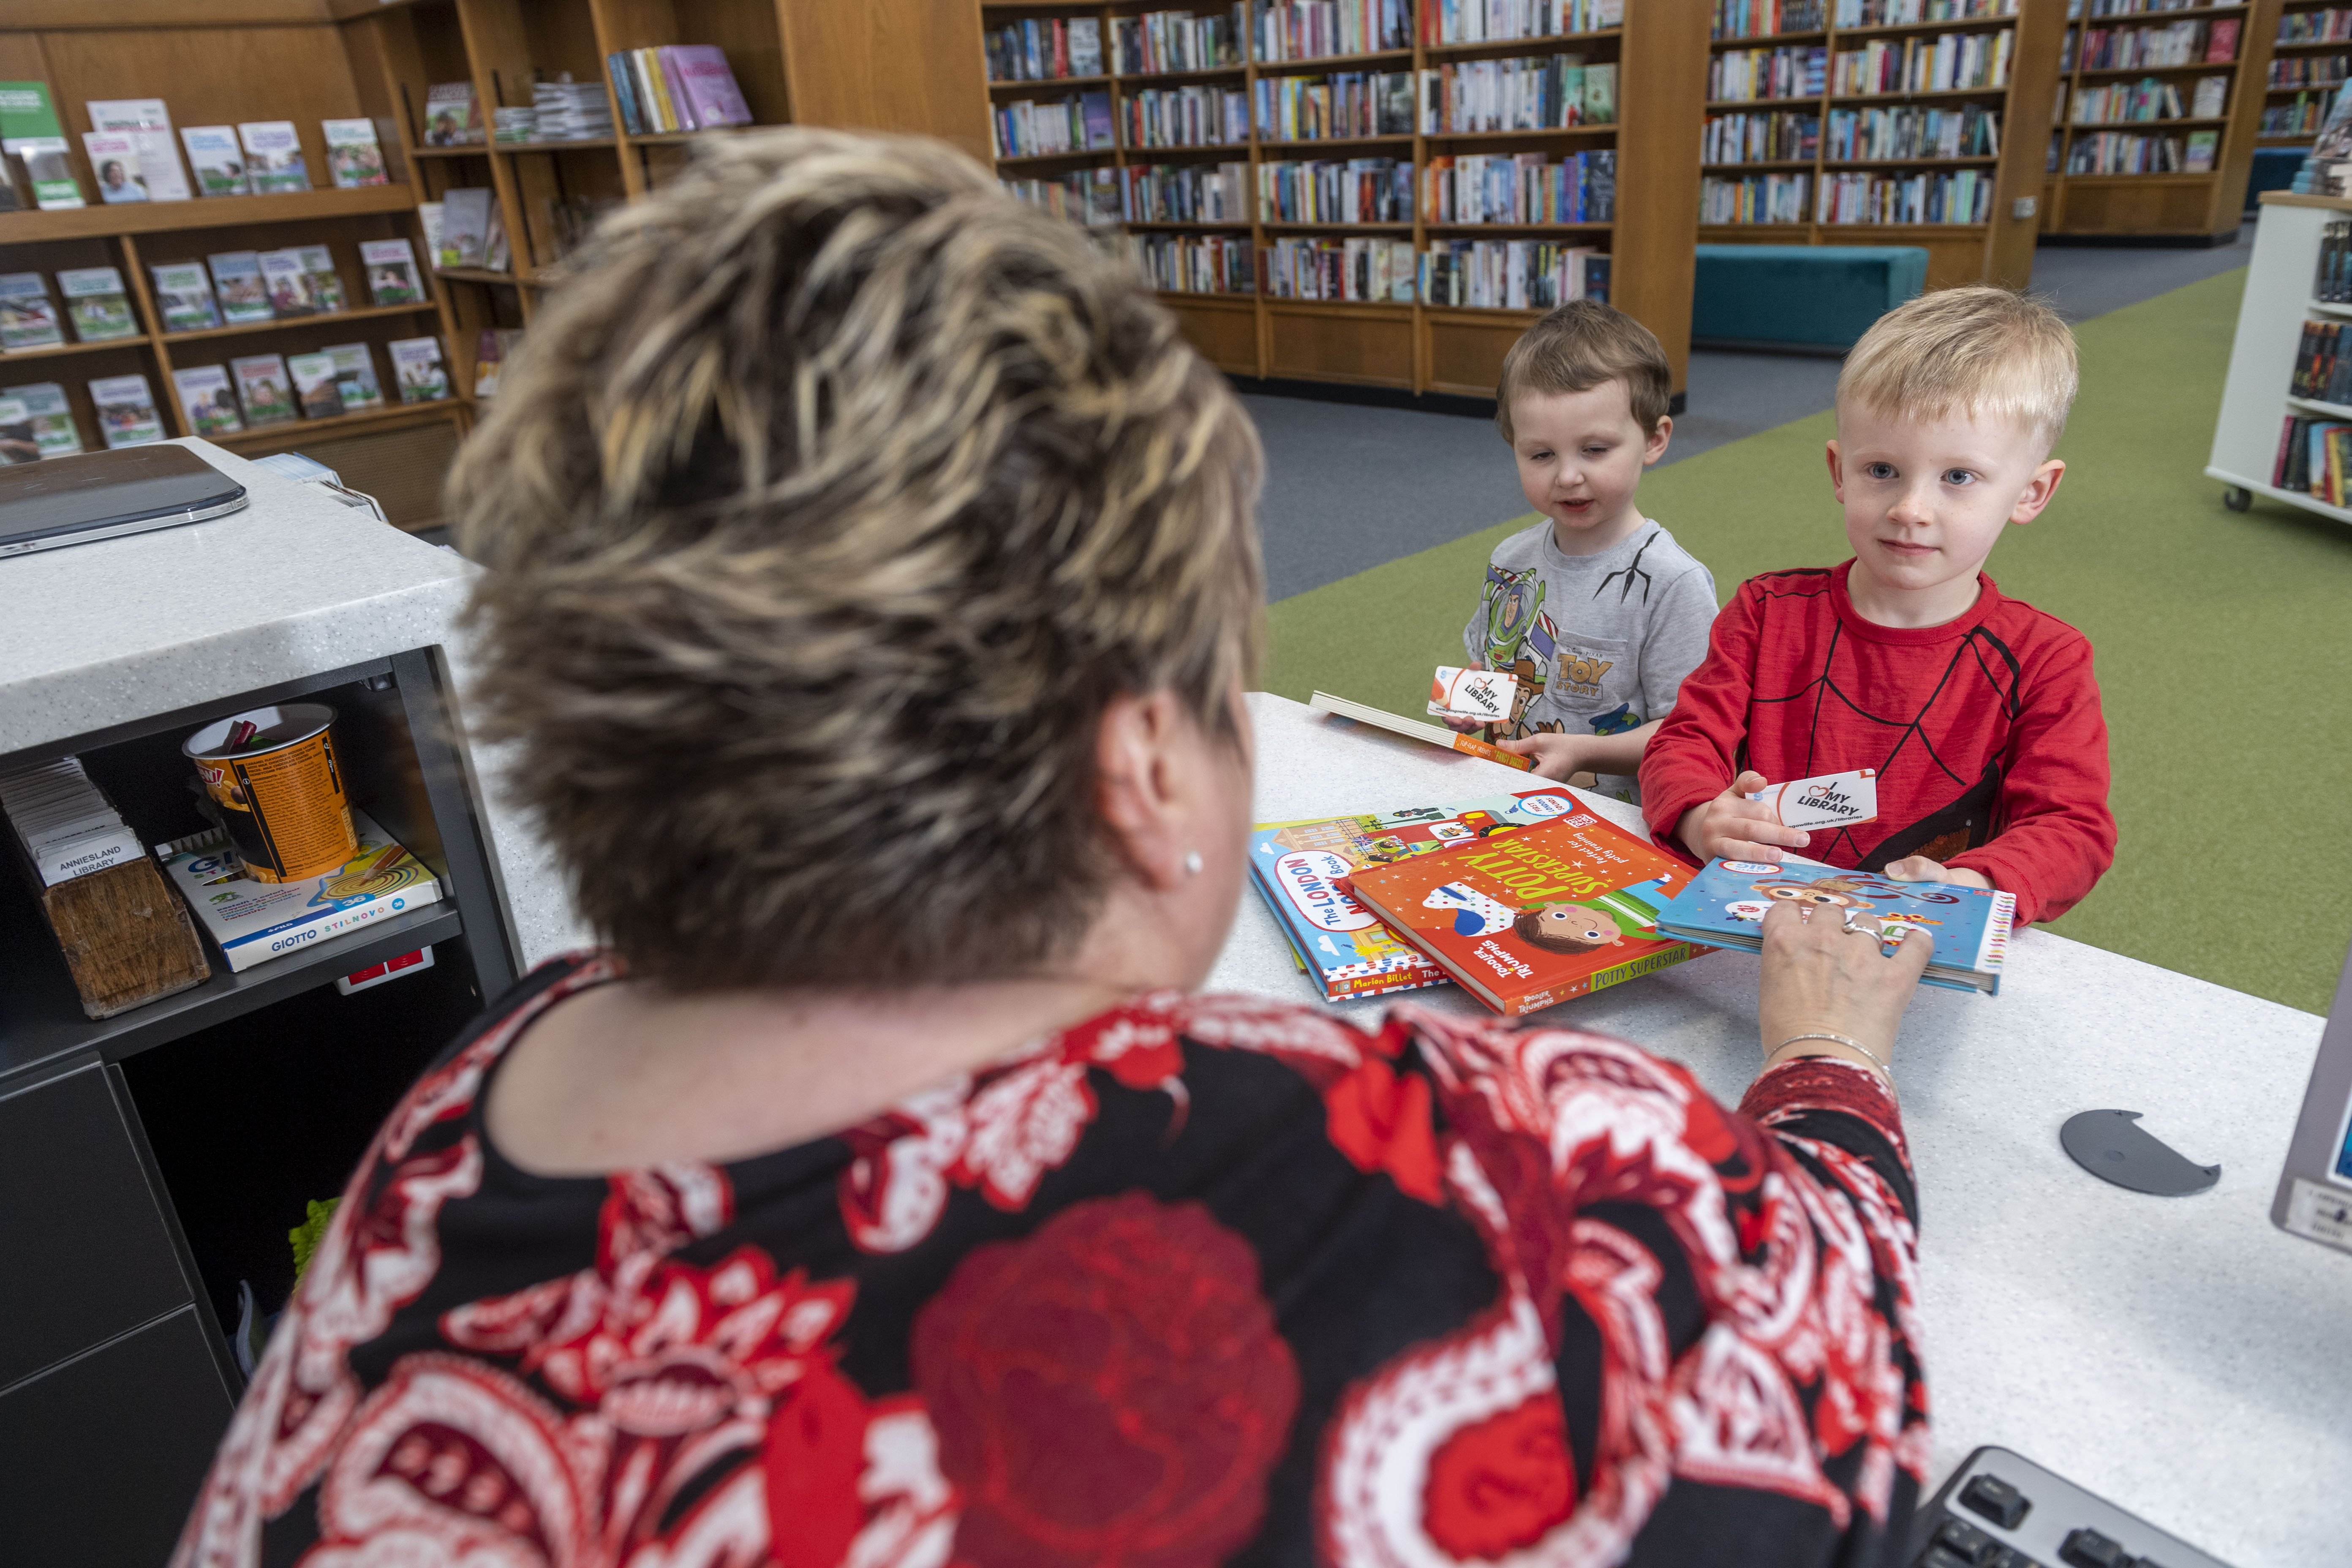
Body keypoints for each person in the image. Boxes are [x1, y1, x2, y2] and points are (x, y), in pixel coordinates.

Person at [173, 128, 1938, 1568]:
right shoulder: (1506, 1174)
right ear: (1141, 773)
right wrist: (1833, 1063)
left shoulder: (453, 1108)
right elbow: (1842, 1400)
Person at [1640, 286, 2117, 926]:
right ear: (1840, 471)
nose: (1910, 509)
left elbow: (2073, 828)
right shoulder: (1764, 611)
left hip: (1918, 939)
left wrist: (1973, 880)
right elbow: (1685, 739)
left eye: (1958, 478)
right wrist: (1700, 815)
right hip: (1753, 917)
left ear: (2032, 492)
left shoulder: (2046, 660)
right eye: (1883, 471)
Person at [1451, 300, 1718, 803]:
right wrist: (1470, 700)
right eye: (1541, 454)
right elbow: (1493, 672)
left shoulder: (1672, 583)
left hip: (1611, 827)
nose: (1568, 475)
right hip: (1506, 799)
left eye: (1595, 450)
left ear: (1655, 440)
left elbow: (1689, 733)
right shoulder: (1512, 558)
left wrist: (1584, 753)